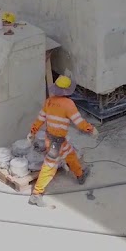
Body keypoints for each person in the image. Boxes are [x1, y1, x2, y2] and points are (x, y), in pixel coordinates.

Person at [27, 75, 96, 207]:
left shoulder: (49, 101)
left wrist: (32, 131)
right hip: (56, 143)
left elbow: (40, 119)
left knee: (70, 155)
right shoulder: (69, 104)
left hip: (51, 139)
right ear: (67, 90)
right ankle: (36, 194)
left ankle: (80, 175)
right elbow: (79, 122)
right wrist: (91, 129)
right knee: (49, 167)